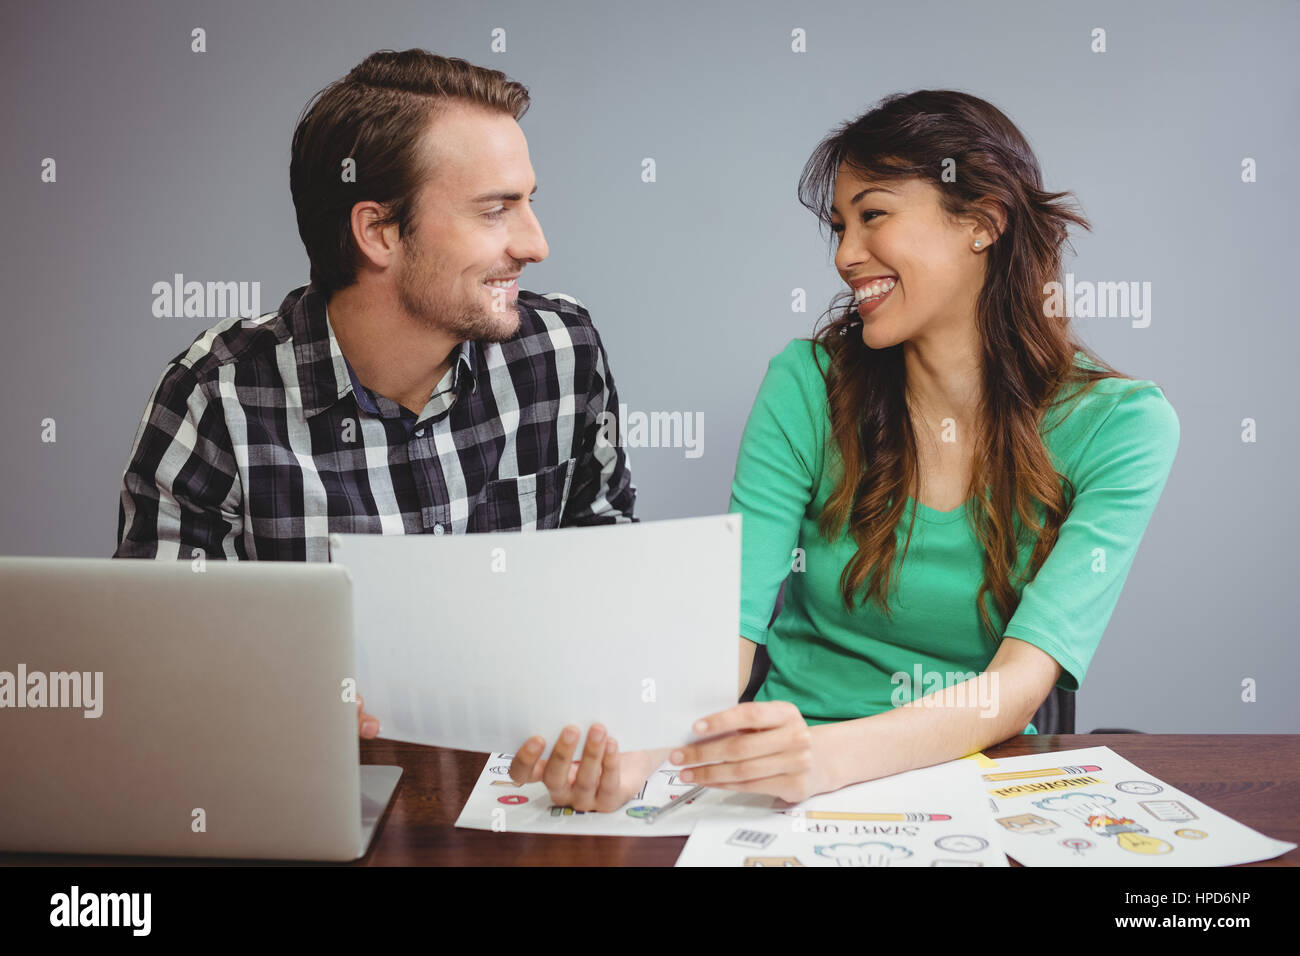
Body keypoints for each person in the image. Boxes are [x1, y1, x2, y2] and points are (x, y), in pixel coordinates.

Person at [509, 89, 1179, 810]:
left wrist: (826, 759)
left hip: (969, 785)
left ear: (982, 223)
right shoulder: (804, 386)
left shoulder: (1121, 426)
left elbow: (1019, 683)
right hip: (782, 780)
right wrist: (638, 752)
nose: (844, 256)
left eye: (873, 216)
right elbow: (727, 626)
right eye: (838, 225)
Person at [112, 50, 636, 737]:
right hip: (316, 813)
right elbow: (160, 671)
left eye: (529, 202)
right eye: (495, 210)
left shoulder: (561, 352)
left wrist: (601, 735)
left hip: (522, 792)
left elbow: (609, 571)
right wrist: (272, 713)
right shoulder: (214, 399)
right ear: (378, 231)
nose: (535, 243)